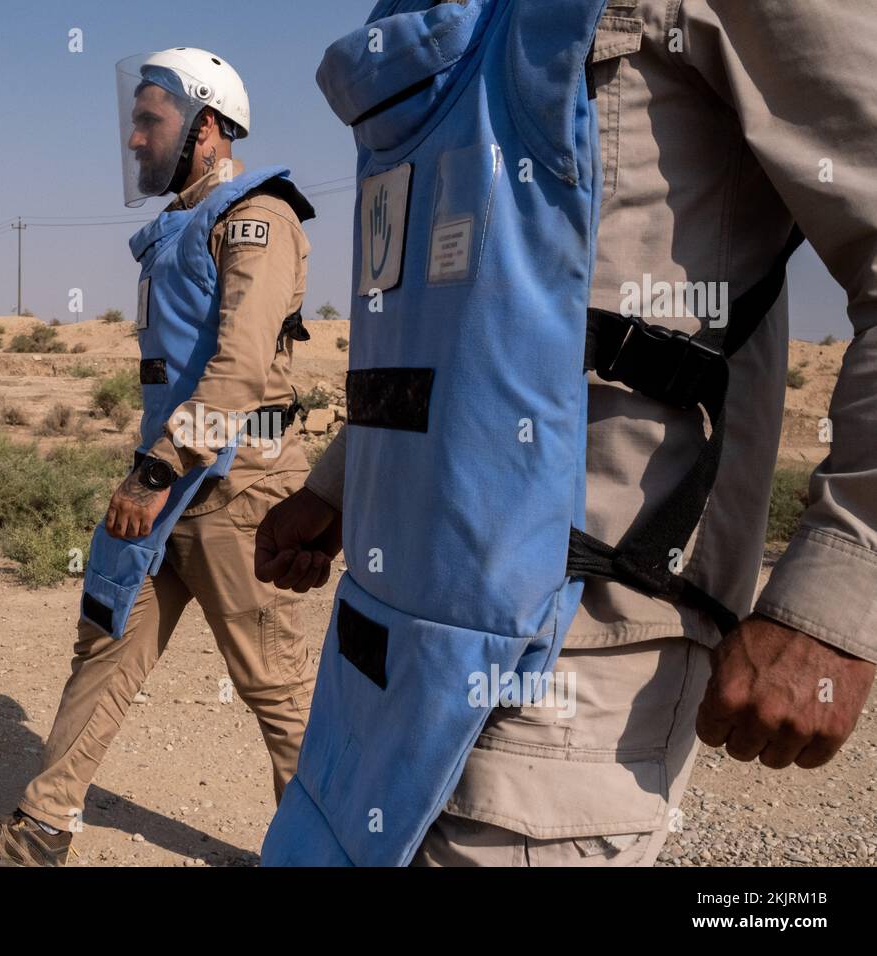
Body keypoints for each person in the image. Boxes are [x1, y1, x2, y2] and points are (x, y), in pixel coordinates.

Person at [258, 0, 877, 866]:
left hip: (565, 670)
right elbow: (459, 319)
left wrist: (834, 601)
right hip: (388, 646)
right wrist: (339, 484)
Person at [0, 47, 318, 866]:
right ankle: (42, 827)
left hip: (235, 488)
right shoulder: (180, 224)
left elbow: (242, 366)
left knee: (276, 688)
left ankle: (320, 852)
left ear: (207, 127)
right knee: (105, 648)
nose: (135, 139)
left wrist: (154, 470)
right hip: (169, 488)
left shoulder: (260, 215)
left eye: (151, 121)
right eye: (135, 120)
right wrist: (154, 472)